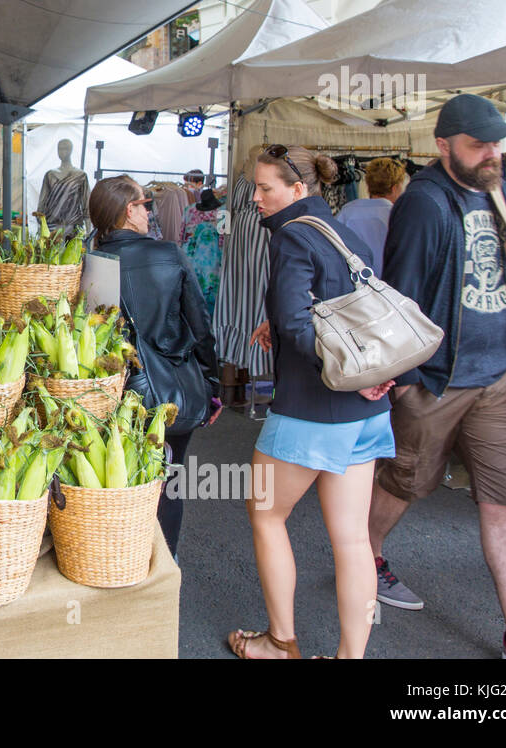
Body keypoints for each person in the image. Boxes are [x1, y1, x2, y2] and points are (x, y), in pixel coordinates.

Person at [372, 93, 506, 658]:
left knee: (504, 498)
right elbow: (400, 293)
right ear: (443, 144)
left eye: (496, 143)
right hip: (437, 378)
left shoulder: (492, 187)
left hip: (498, 373)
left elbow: (486, 267)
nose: (492, 153)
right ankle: (365, 554)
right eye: (478, 145)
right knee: (404, 483)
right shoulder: (425, 203)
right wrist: (404, 378)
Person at [229, 145, 396, 660]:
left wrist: (292, 332)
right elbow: (341, 308)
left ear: (298, 189)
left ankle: (281, 644)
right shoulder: (343, 232)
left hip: (312, 410)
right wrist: (277, 323)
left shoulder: (293, 236)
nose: (255, 197)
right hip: (366, 414)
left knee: (265, 514)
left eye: (265, 188)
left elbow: (302, 324)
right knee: (353, 542)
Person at [89, 175, 221, 558]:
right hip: (171, 389)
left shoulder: (91, 262)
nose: (149, 211)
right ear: (129, 211)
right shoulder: (169, 254)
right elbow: (201, 328)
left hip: (114, 393)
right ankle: (166, 561)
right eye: (145, 204)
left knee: (119, 477)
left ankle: (120, 557)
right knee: (171, 476)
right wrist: (213, 388)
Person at [335, 157, 405, 277]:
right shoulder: (400, 216)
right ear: (394, 188)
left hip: (355, 288)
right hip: (391, 289)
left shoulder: (347, 213)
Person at [180, 187, 223, 317]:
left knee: (210, 300)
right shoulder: (189, 210)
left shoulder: (223, 212)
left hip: (214, 265)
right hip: (192, 263)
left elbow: (224, 241)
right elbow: (181, 236)